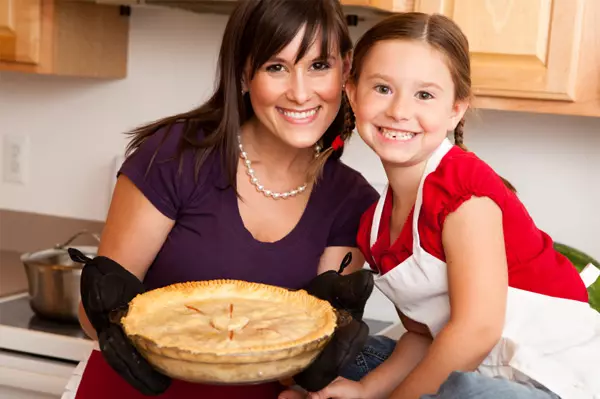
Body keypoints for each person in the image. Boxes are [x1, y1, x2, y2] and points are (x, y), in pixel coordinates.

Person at [65, 1, 381, 398]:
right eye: (276, 67)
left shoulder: (351, 200)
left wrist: (318, 361)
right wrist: (107, 319)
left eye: (319, 66)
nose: (301, 93)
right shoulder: (176, 157)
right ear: (245, 74)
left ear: (346, 69)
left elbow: (299, 356)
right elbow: (93, 315)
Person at [300, 12, 600, 399]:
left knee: (463, 388)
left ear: (455, 109)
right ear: (352, 92)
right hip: (473, 370)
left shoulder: (464, 191)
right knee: (339, 358)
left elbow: (476, 330)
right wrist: (366, 390)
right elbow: (423, 335)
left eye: (424, 94)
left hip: (554, 379)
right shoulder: (374, 226)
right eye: (382, 88)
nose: (399, 111)